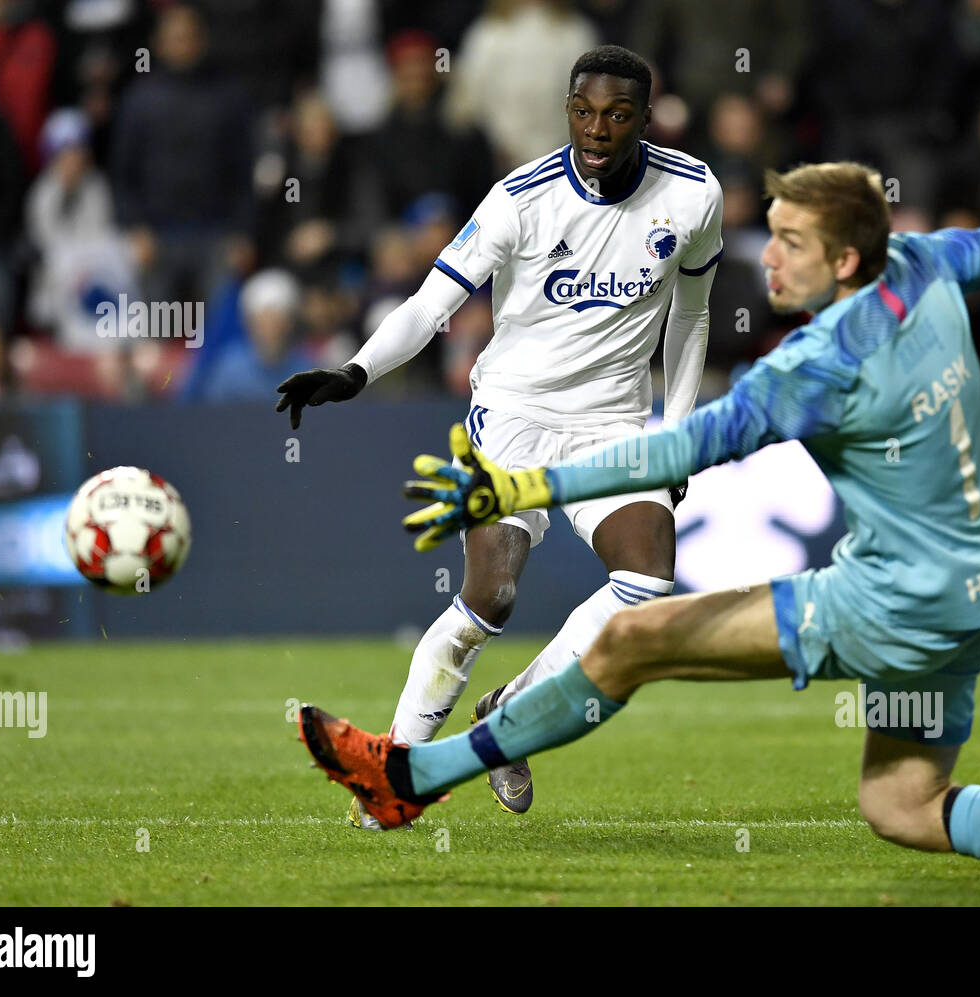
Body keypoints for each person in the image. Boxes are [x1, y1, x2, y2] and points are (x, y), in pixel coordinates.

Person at [296, 68, 980, 888]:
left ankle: (408, 777)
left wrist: (518, 491)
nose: (765, 253)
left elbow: (669, 453)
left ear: (846, 260)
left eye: (788, 242)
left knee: (628, 643)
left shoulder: (811, 366)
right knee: (904, 805)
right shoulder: (931, 264)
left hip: (887, 598)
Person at [277, 45, 723, 820]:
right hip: (512, 414)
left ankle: (506, 717)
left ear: (645, 120)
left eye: (618, 115)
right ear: (567, 111)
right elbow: (429, 304)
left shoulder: (692, 195)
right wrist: (355, 370)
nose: (597, 128)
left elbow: (692, 315)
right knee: (492, 594)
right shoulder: (521, 198)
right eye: (583, 111)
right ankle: (395, 770)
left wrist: (675, 431)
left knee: (646, 580)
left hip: (614, 422)